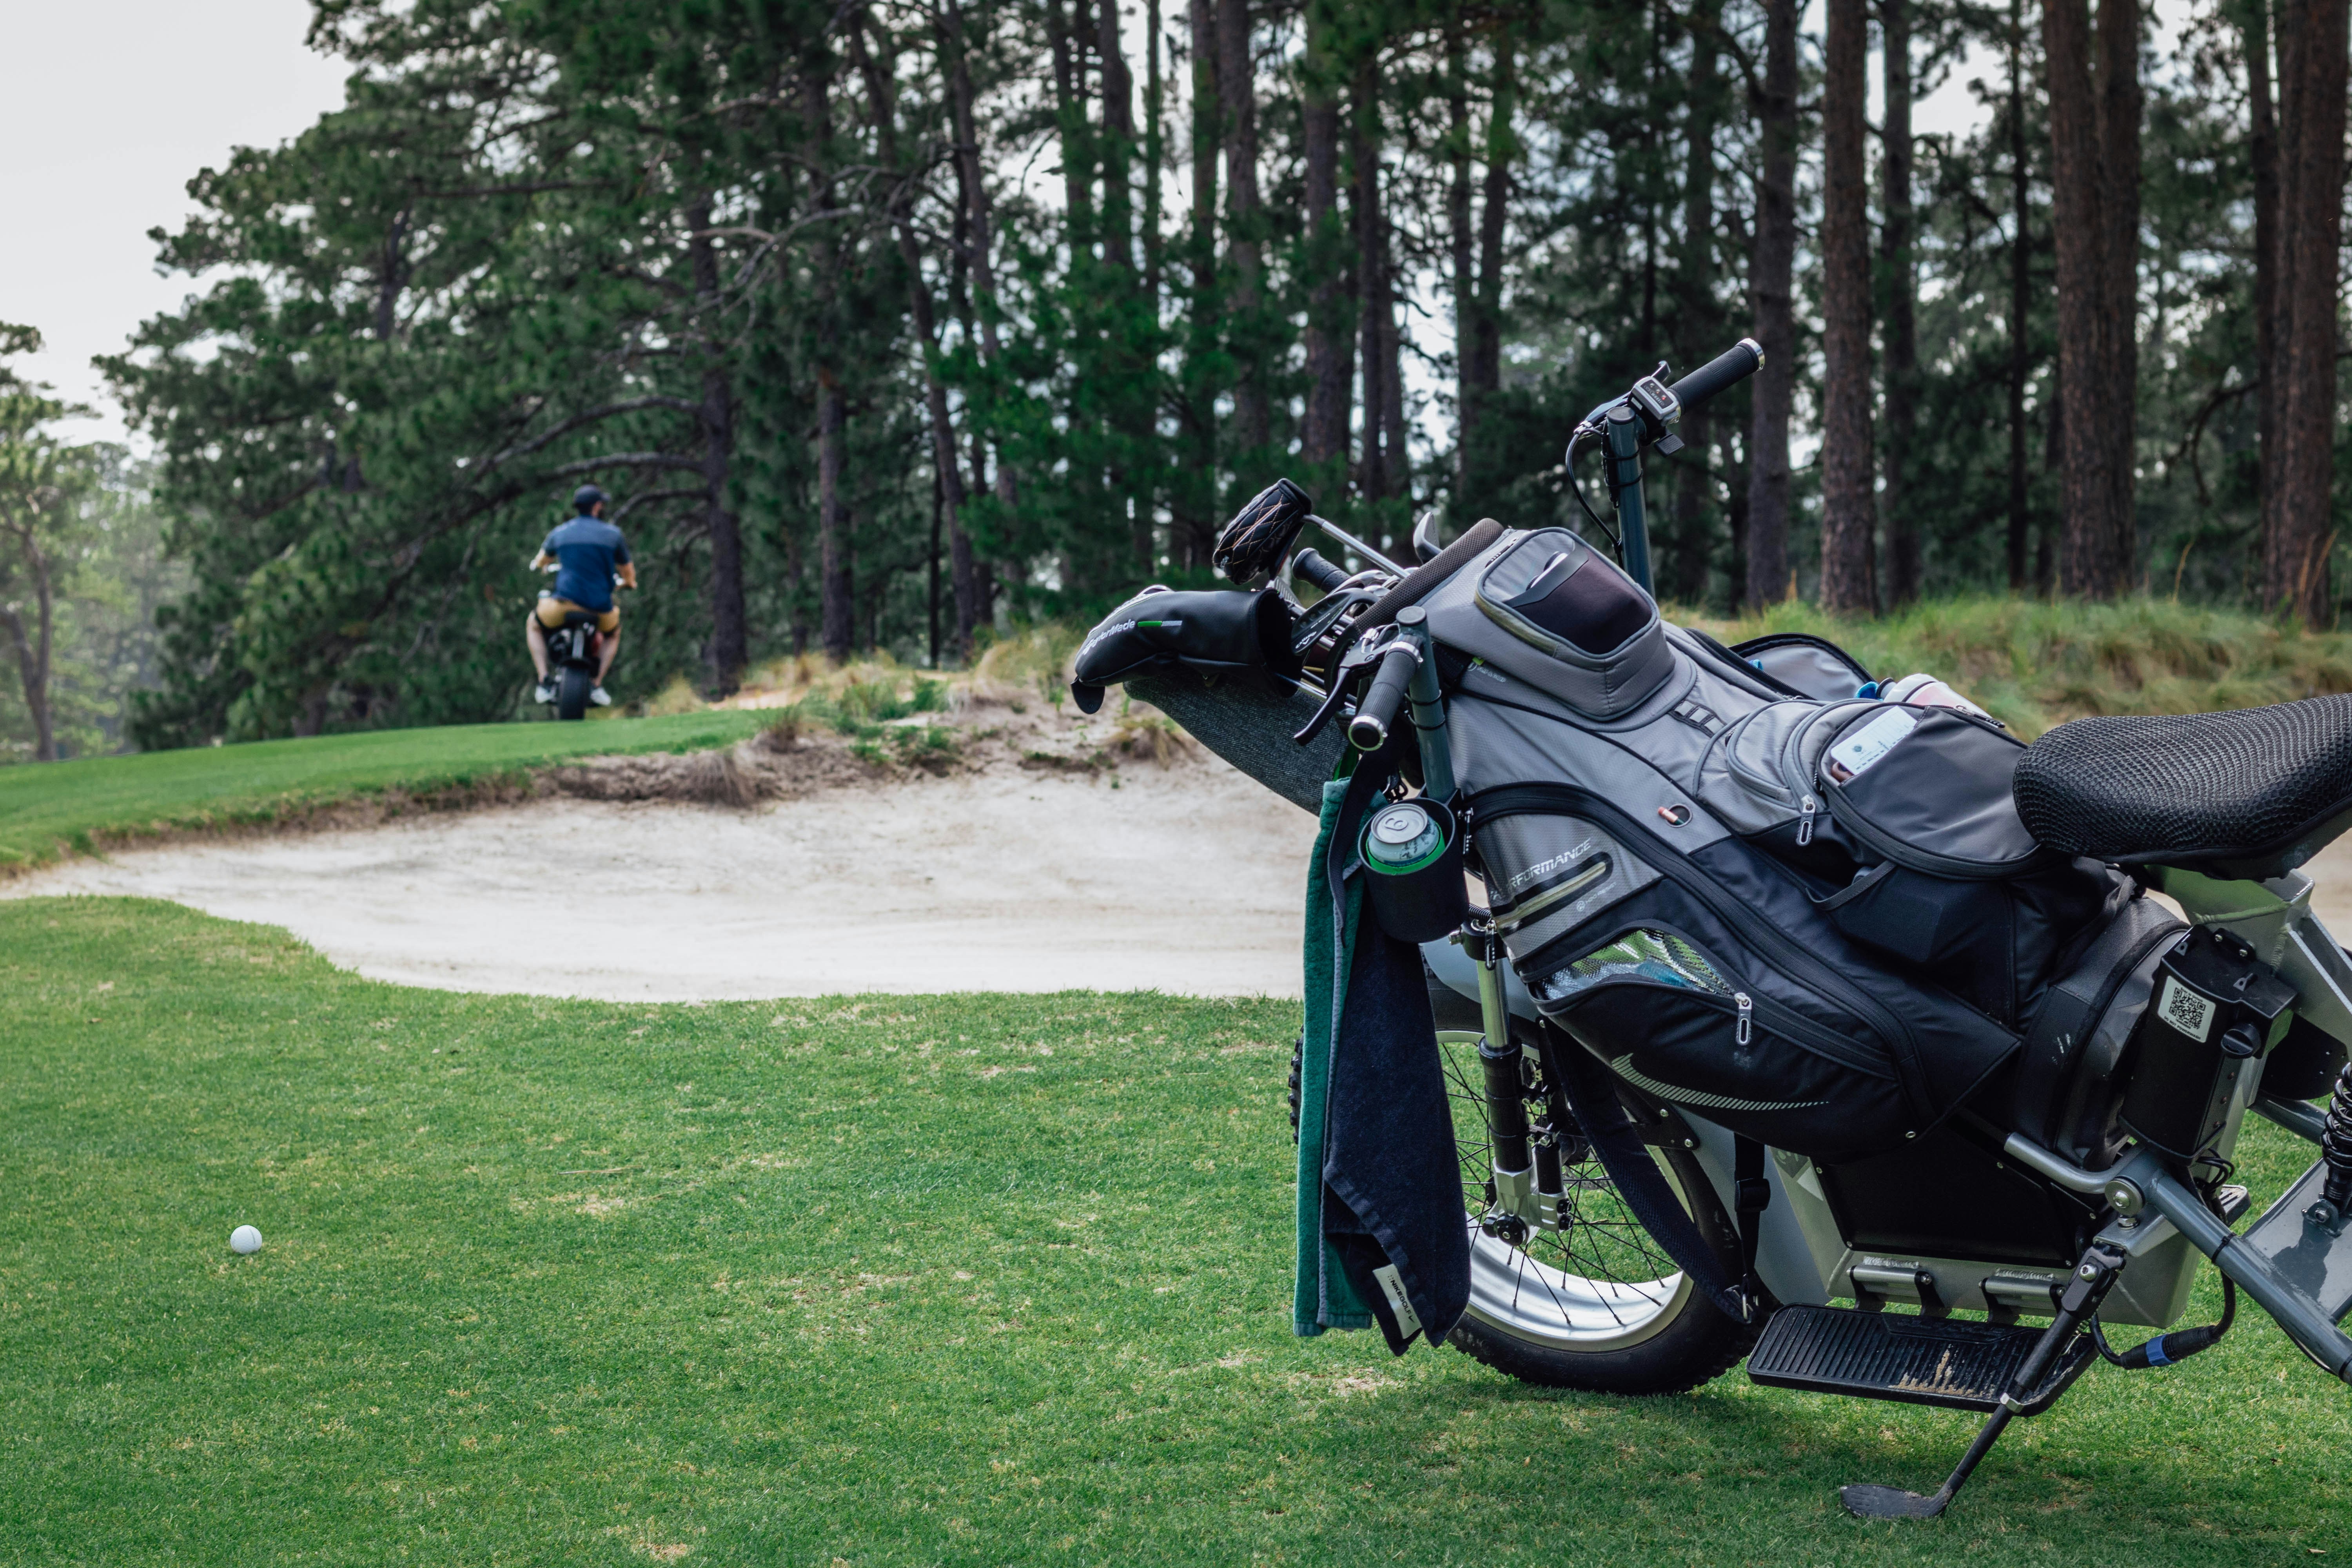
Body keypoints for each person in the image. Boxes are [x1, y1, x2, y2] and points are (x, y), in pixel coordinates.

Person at [528, 485, 637, 706]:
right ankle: (596, 684)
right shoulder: (613, 535)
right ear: (597, 506)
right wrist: (628, 583)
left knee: (534, 624)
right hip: (600, 608)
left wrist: (540, 566)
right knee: (613, 633)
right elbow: (628, 572)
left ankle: (544, 680)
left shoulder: (560, 533)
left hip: (564, 605)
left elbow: (542, 560)